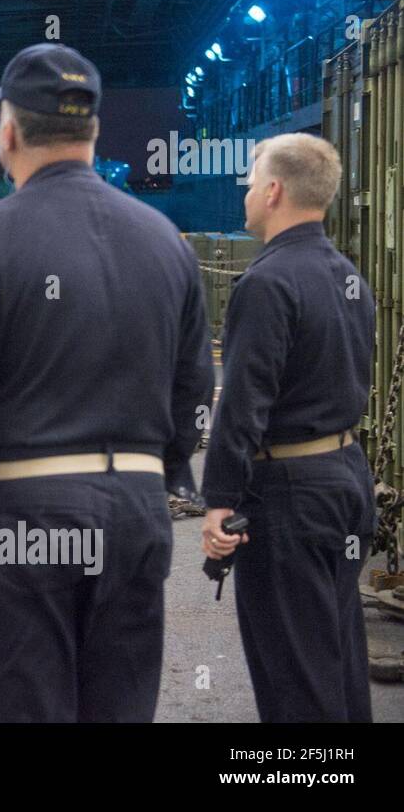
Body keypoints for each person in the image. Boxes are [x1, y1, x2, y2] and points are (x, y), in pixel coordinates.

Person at [0, 44, 213, 721]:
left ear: (7, 133)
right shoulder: (167, 240)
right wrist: (153, 483)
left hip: (25, 514)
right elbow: (195, 389)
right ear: (94, 131)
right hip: (136, 514)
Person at [201, 133, 375, 722]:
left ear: (274, 191)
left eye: (251, 183)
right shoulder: (348, 275)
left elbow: (243, 406)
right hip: (346, 478)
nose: (247, 194)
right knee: (337, 654)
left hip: (291, 497)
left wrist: (219, 503)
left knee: (294, 675)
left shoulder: (268, 283)